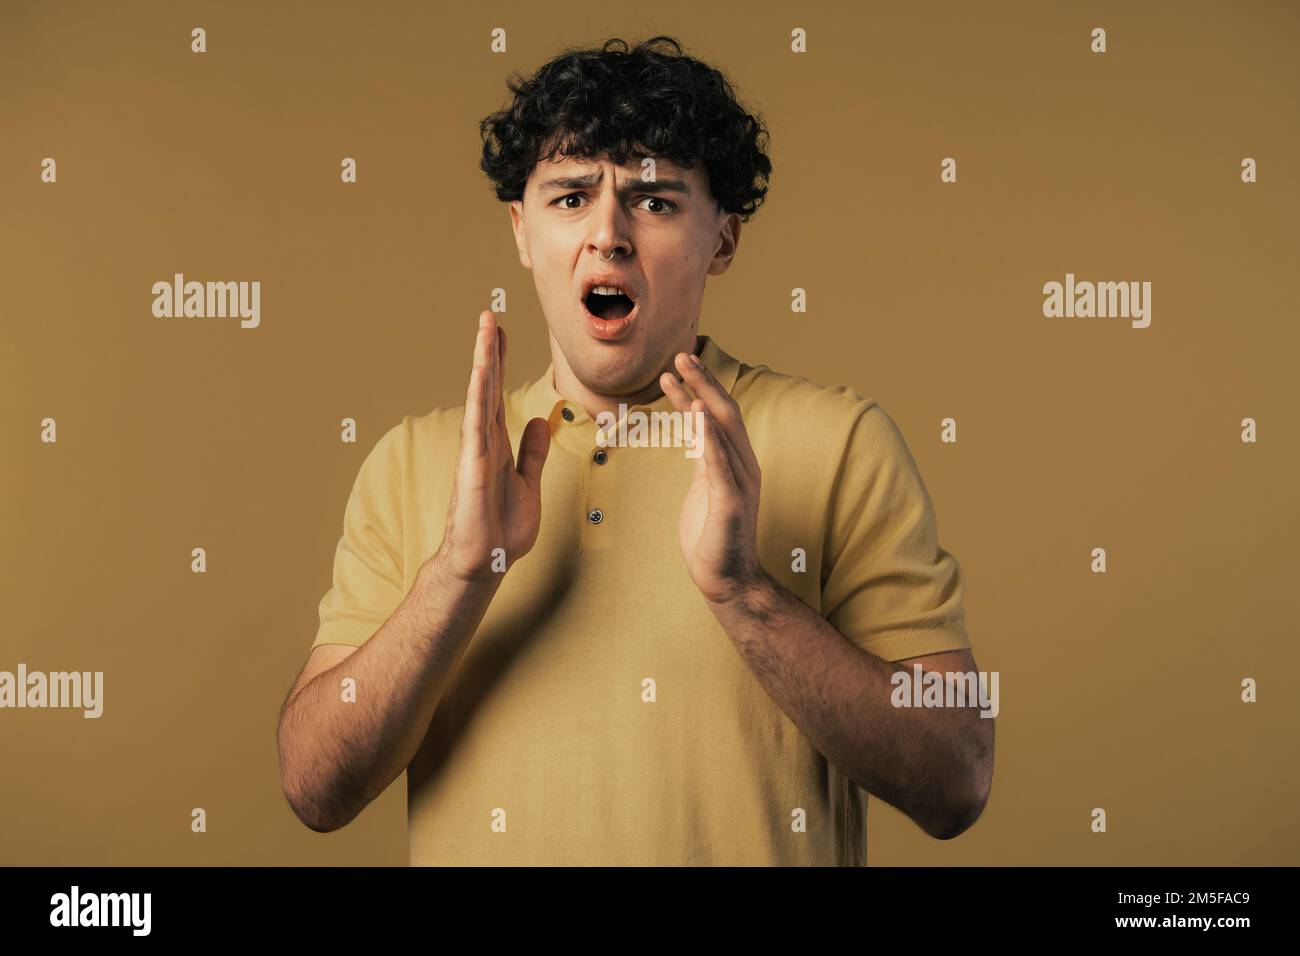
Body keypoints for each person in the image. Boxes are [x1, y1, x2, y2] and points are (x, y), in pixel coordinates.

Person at [277, 35, 993, 866]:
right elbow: (313, 787)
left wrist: (745, 594)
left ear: (721, 241)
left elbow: (957, 774)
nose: (608, 234)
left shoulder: (840, 443)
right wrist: (460, 575)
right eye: (571, 196)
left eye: (655, 202)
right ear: (521, 230)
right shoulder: (413, 462)